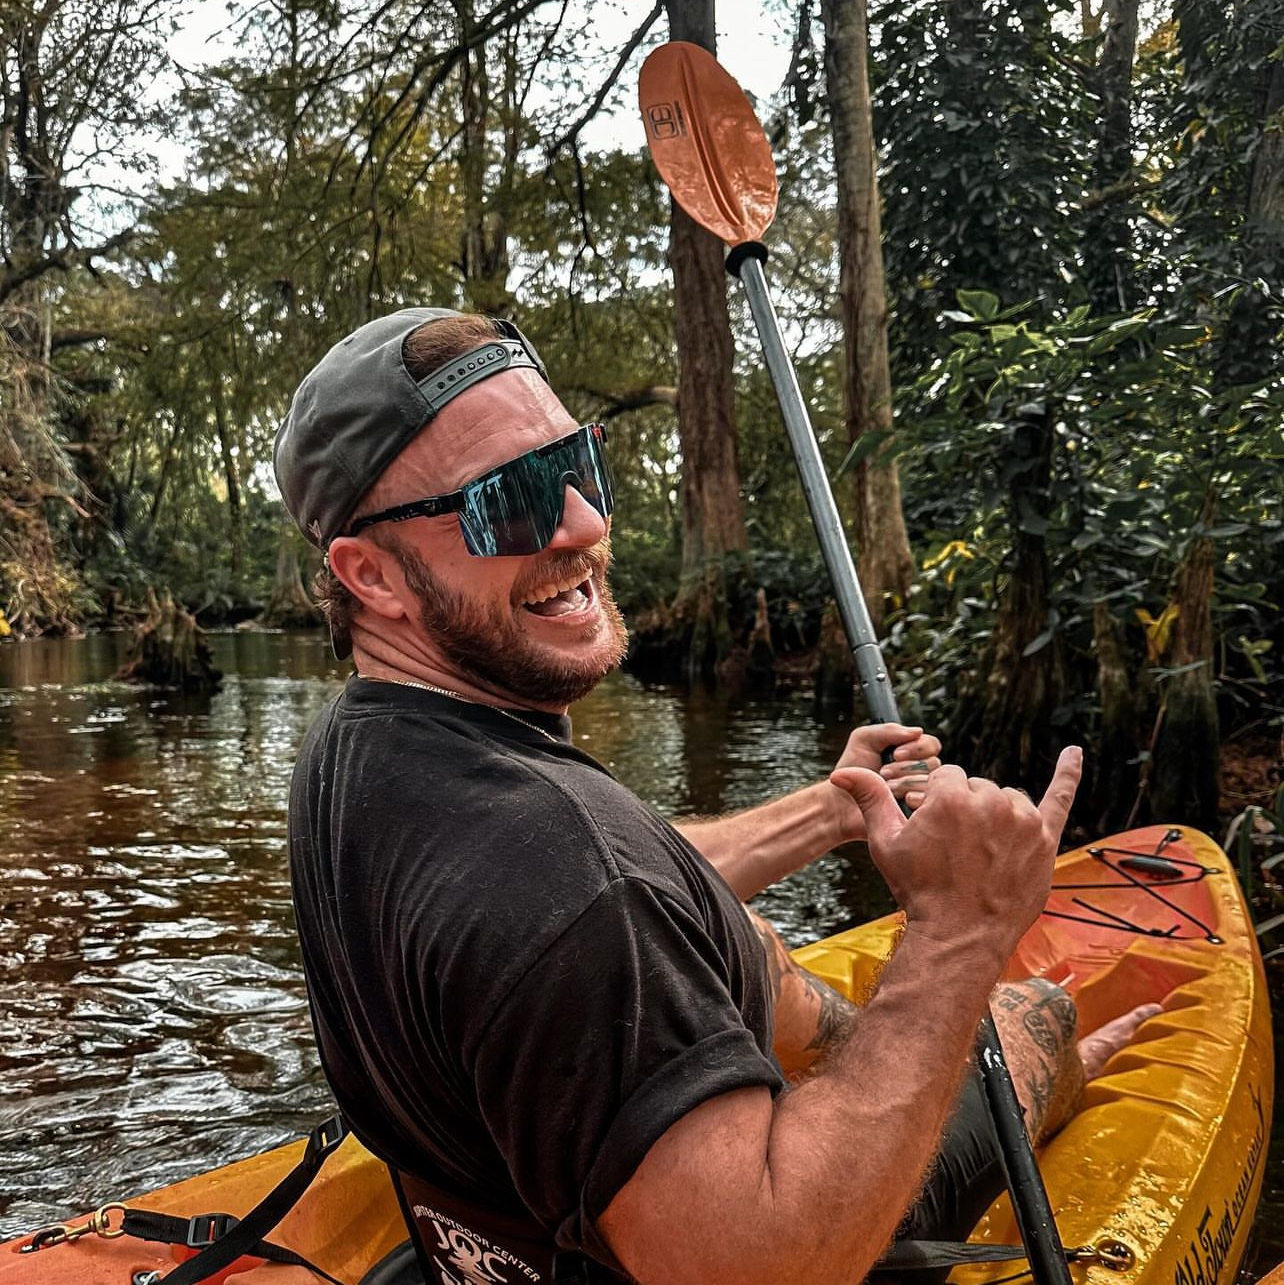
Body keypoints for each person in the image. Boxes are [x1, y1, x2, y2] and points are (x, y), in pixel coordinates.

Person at [275, 307, 1159, 1285]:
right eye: (512, 500)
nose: (584, 521)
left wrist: (834, 805)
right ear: (371, 574)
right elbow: (752, 1265)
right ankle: (1053, 1068)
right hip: (758, 1234)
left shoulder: (360, 750)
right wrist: (960, 931)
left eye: (578, 465)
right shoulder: (566, 875)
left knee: (774, 959)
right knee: (1034, 1014)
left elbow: (632, 876)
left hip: (510, 1221)